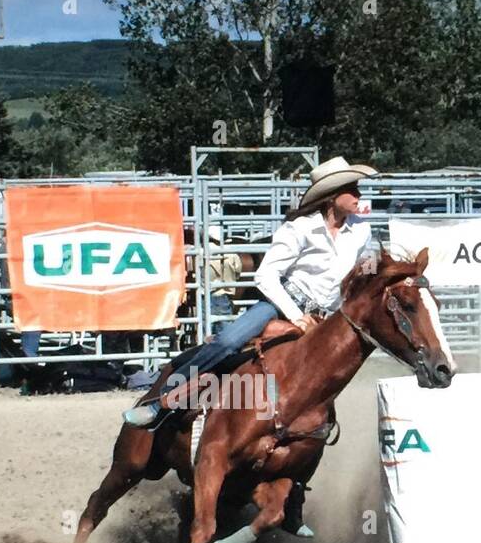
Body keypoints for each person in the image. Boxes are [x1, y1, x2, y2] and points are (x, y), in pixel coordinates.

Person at [122, 156, 379, 429]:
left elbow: (367, 267)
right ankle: (160, 403)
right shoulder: (300, 228)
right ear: (331, 196)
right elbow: (265, 275)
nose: (358, 194)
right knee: (228, 342)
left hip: (327, 314)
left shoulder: (361, 230)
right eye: (351, 188)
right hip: (282, 304)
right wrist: (296, 316)